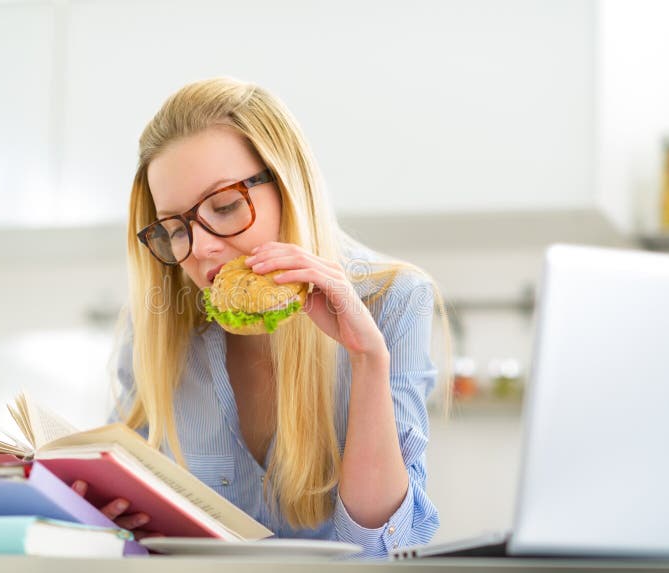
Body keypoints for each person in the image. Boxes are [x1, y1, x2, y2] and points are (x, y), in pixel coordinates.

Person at [72, 77, 451, 559]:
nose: (202, 247)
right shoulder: (157, 322)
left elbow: (382, 549)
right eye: (174, 228)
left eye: (225, 206)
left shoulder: (392, 299)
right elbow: (123, 520)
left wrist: (367, 358)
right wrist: (107, 519)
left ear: (289, 186)